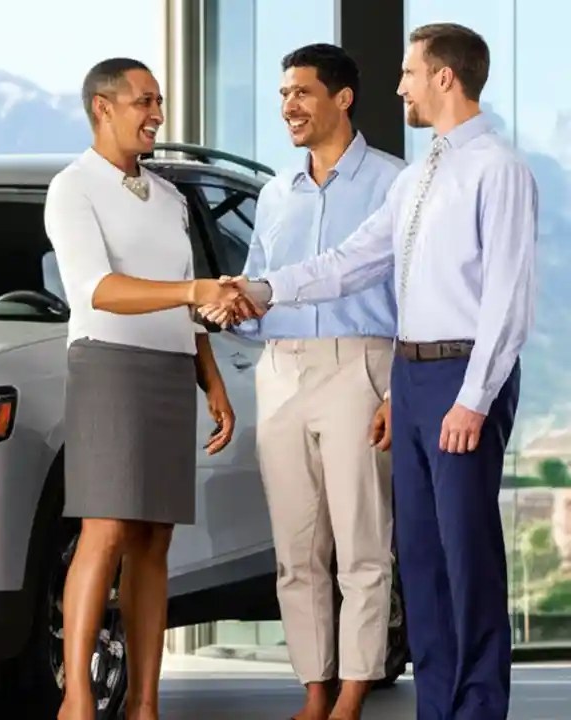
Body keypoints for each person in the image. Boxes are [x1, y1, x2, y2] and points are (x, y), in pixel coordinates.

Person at [206, 23, 536, 719]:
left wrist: (474, 400)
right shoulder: (417, 177)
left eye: (410, 73)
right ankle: (437, 707)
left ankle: (477, 710)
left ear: (445, 78)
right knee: (420, 561)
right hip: (412, 379)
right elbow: (349, 262)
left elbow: (509, 296)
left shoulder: (498, 168)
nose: (400, 87)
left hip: (461, 376)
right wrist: (264, 291)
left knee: (466, 556)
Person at [45, 57, 242, 720]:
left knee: (154, 538)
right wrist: (191, 292)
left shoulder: (167, 196)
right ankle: (77, 696)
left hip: (166, 370)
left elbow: (187, 302)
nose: (156, 113)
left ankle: (145, 704)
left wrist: (209, 378)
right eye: (144, 101)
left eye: (159, 100)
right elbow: (96, 289)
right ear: (104, 107)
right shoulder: (73, 189)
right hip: (109, 365)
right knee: (105, 529)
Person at [229, 43, 405, 720]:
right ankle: (314, 688)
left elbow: (412, 290)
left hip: (360, 363)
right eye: (281, 96)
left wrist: (398, 390)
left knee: (363, 541)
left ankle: (356, 687)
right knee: (296, 548)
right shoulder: (275, 193)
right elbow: (261, 295)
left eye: (301, 93)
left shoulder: (395, 183)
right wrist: (231, 308)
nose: (288, 108)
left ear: (343, 98)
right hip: (281, 370)